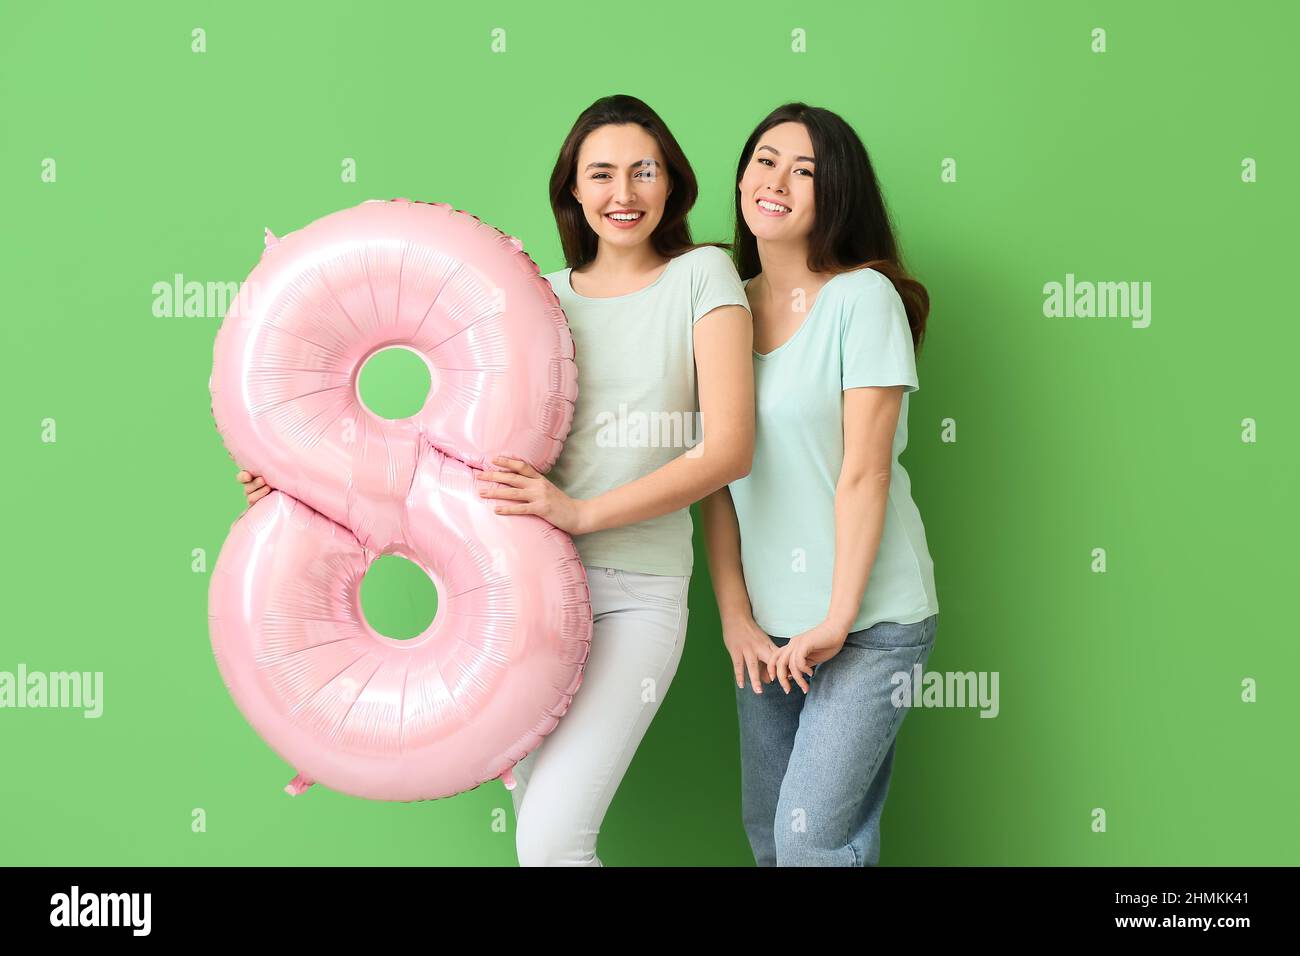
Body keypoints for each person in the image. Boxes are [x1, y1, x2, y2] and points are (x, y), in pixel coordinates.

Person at [701, 102, 940, 866]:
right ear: (741, 176)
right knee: (773, 839)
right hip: (769, 628)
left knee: (811, 845)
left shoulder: (861, 300)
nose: (778, 181)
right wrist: (736, 615)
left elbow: (865, 473)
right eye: (766, 159)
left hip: (869, 624)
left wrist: (837, 619)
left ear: (835, 195)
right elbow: (714, 474)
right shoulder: (720, 306)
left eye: (805, 171)